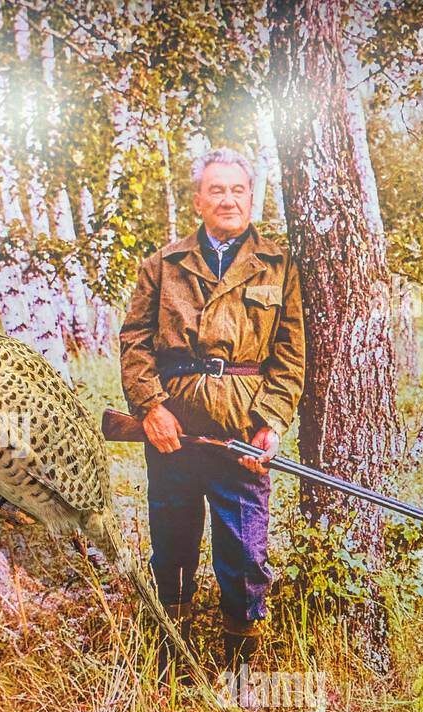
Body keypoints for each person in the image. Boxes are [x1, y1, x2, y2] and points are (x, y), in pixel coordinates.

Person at [119, 147, 305, 667]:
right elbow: (134, 342)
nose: (228, 199)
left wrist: (270, 423)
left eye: (238, 189)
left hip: (242, 431)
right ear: (198, 201)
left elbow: (291, 353)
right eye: (217, 190)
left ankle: (239, 672)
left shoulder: (278, 264)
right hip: (172, 429)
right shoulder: (162, 264)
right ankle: (170, 663)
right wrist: (151, 407)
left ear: (251, 198)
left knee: (245, 554)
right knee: (173, 547)